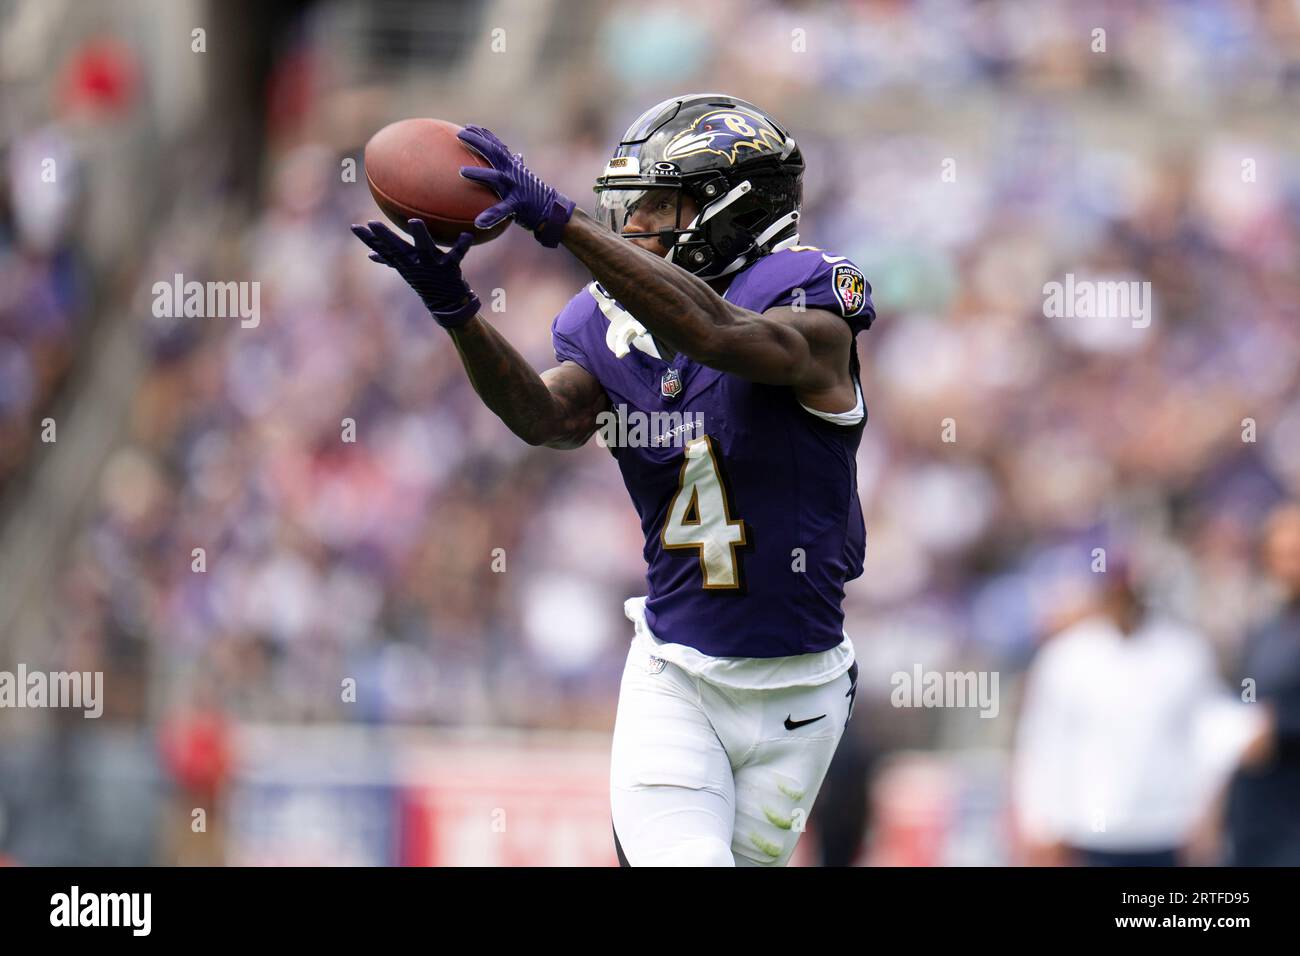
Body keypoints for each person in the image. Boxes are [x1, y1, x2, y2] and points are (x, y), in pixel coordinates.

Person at [352, 94, 874, 866]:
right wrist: (456, 311)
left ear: (731, 210)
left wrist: (561, 222)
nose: (635, 226)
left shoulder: (808, 299)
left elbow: (721, 333)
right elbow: (547, 419)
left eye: (657, 207)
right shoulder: (604, 324)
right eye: (627, 209)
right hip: (678, 679)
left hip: (803, 692)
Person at [1225, 503, 1300, 865]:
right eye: (1280, 554)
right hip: (1260, 809)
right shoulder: (1269, 627)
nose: (1290, 565)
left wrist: (1282, 725)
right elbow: (1248, 695)